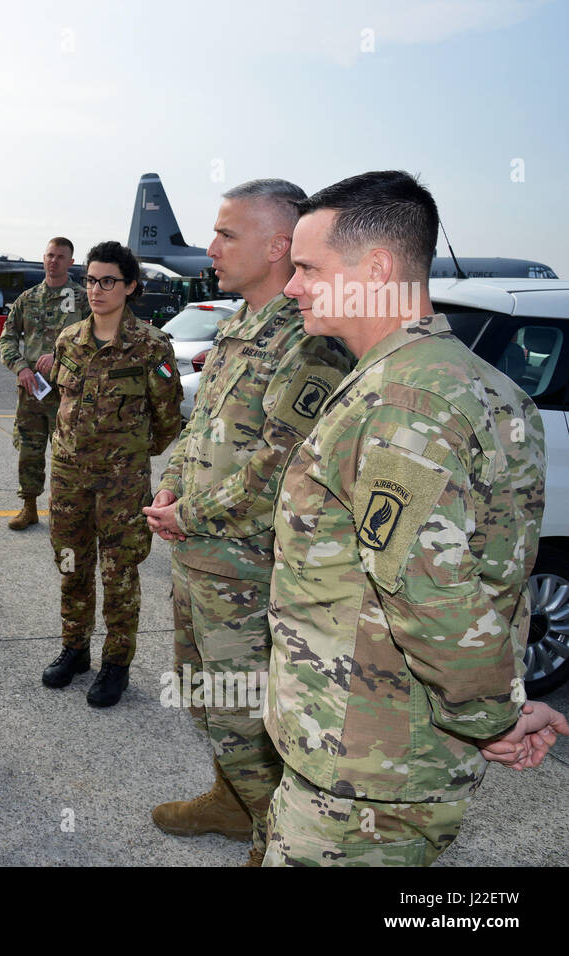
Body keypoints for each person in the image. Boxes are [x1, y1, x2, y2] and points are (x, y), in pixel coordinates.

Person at [264, 170, 567, 866]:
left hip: (366, 776)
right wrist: (496, 711)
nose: (292, 286)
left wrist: (492, 716)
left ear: (374, 268)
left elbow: (433, 596)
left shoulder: (405, 402)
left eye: (307, 267)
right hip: (380, 756)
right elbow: (489, 574)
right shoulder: (479, 384)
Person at [141, 180, 353, 866]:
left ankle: (275, 839)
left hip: (250, 571)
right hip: (199, 556)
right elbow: (199, 425)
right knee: (206, 700)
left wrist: (185, 515)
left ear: (278, 246)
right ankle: (233, 802)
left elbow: (277, 468)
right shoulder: (238, 322)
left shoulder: (311, 342)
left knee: (252, 720)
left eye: (227, 234)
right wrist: (171, 486)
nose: (211, 248)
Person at [43, 241, 181, 707]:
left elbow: (167, 421)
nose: (96, 290)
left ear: (131, 286)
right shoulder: (68, 341)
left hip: (121, 483)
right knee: (70, 564)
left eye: (108, 281)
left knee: (119, 570)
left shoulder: (151, 346)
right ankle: (75, 649)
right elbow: (59, 403)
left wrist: (129, 455)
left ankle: (116, 663)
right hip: (67, 477)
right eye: (91, 280)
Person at [0, 238, 90, 530]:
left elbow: (96, 341)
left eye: (60, 257)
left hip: (68, 393)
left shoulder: (83, 298)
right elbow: (7, 338)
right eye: (50, 255)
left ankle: (68, 512)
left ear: (70, 262)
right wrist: (21, 368)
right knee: (30, 451)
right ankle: (28, 507)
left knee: (68, 454)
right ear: (43, 258)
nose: (54, 261)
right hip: (32, 391)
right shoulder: (27, 299)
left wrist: (62, 356)